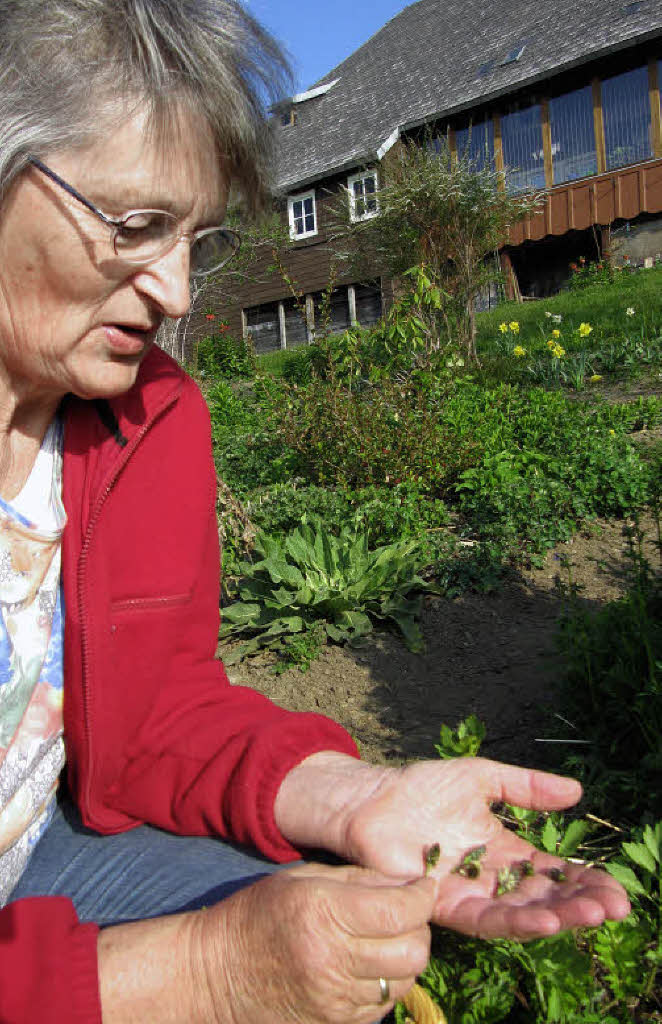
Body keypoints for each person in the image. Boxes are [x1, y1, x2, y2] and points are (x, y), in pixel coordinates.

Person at [0, 2, 629, 1021]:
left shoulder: (145, 417)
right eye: (131, 226)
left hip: (38, 852)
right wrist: (197, 973)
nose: (171, 290)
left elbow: (157, 714)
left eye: (192, 237)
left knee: (334, 946)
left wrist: (359, 795)